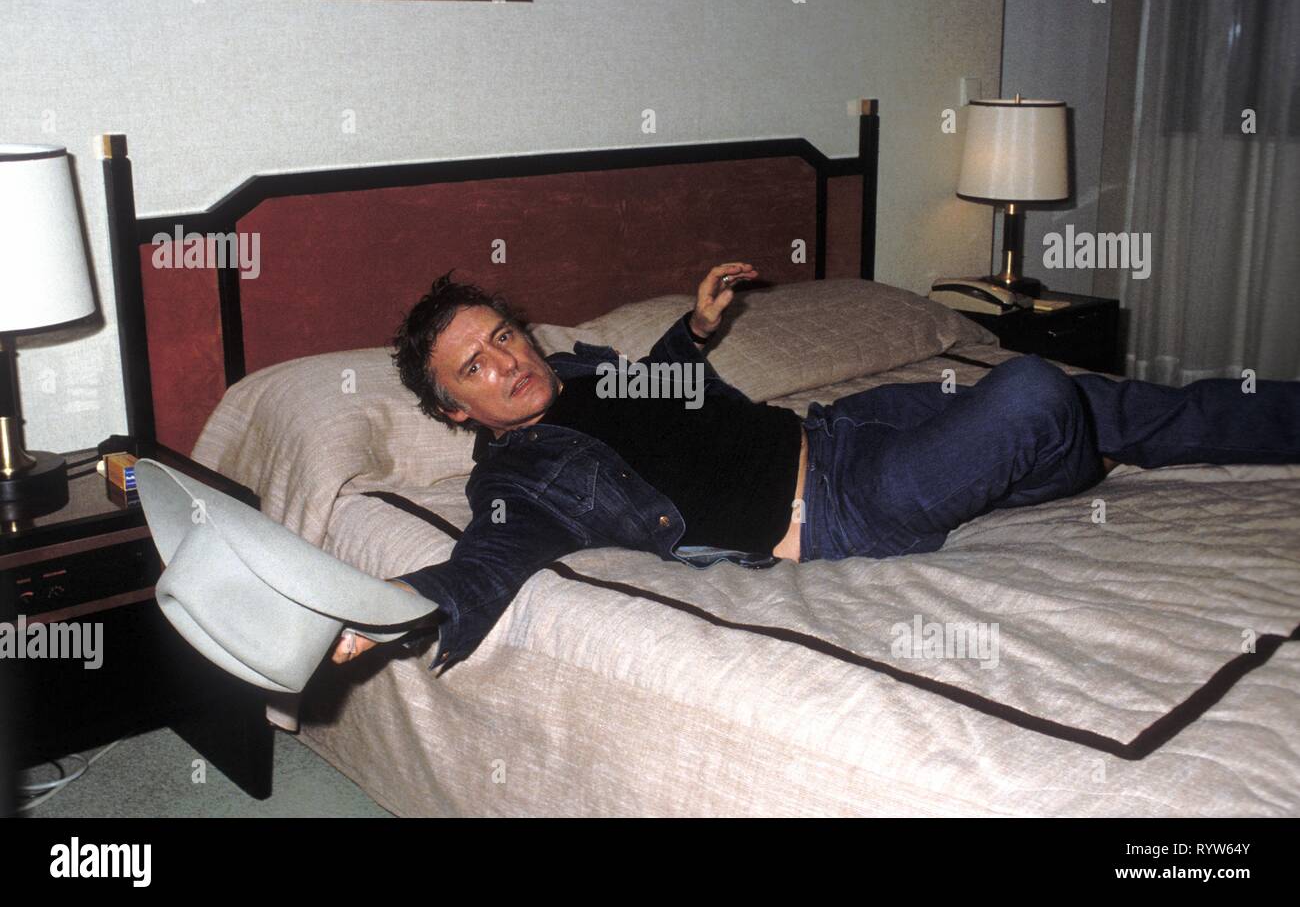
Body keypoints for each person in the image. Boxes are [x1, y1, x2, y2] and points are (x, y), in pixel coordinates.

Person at [332, 263, 1300, 669]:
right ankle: (1051, 459)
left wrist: (697, 328)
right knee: (1040, 392)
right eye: (476, 367)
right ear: (455, 407)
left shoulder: (584, 368)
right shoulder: (510, 481)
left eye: (502, 333)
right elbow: (478, 568)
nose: (508, 361)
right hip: (842, 506)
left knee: (1124, 403)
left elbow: (660, 401)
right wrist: (387, 614)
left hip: (844, 425)